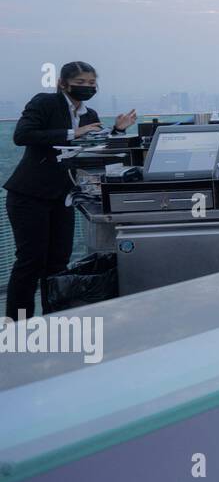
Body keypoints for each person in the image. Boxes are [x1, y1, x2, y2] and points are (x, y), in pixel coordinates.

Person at [4, 62, 136, 320]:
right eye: (81, 82)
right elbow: (22, 135)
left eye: (91, 83)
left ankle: (52, 319)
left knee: (58, 263)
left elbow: (94, 148)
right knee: (30, 263)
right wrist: (73, 132)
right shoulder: (45, 103)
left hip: (63, 197)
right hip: (29, 195)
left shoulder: (90, 114)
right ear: (63, 83)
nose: (87, 87)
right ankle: (17, 323)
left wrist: (118, 130)